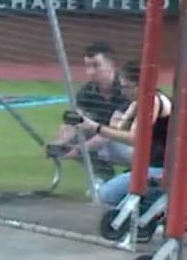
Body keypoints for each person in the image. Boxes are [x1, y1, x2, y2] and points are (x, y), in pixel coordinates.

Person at [80, 59, 172, 207]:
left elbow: (135, 139)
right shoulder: (139, 102)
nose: (123, 92)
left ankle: (154, 203)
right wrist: (122, 118)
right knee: (108, 195)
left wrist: (96, 127)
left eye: (126, 87)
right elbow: (119, 128)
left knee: (103, 196)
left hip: (160, 167)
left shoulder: (153, 101)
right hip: (150, 162)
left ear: (140, 85)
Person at [46, 41, 131, 167]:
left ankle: (138, 177)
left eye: (96, 66)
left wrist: (79, 149)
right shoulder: (86, 92)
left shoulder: (127, 91)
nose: (90, 72)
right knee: (75, 138)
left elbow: (113, 132)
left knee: (108, 144)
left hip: (132, 143)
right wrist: (58, 144)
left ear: (111, 65)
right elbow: (72, 122)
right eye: (87, 66)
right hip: (106, 137)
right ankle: (102, 177)